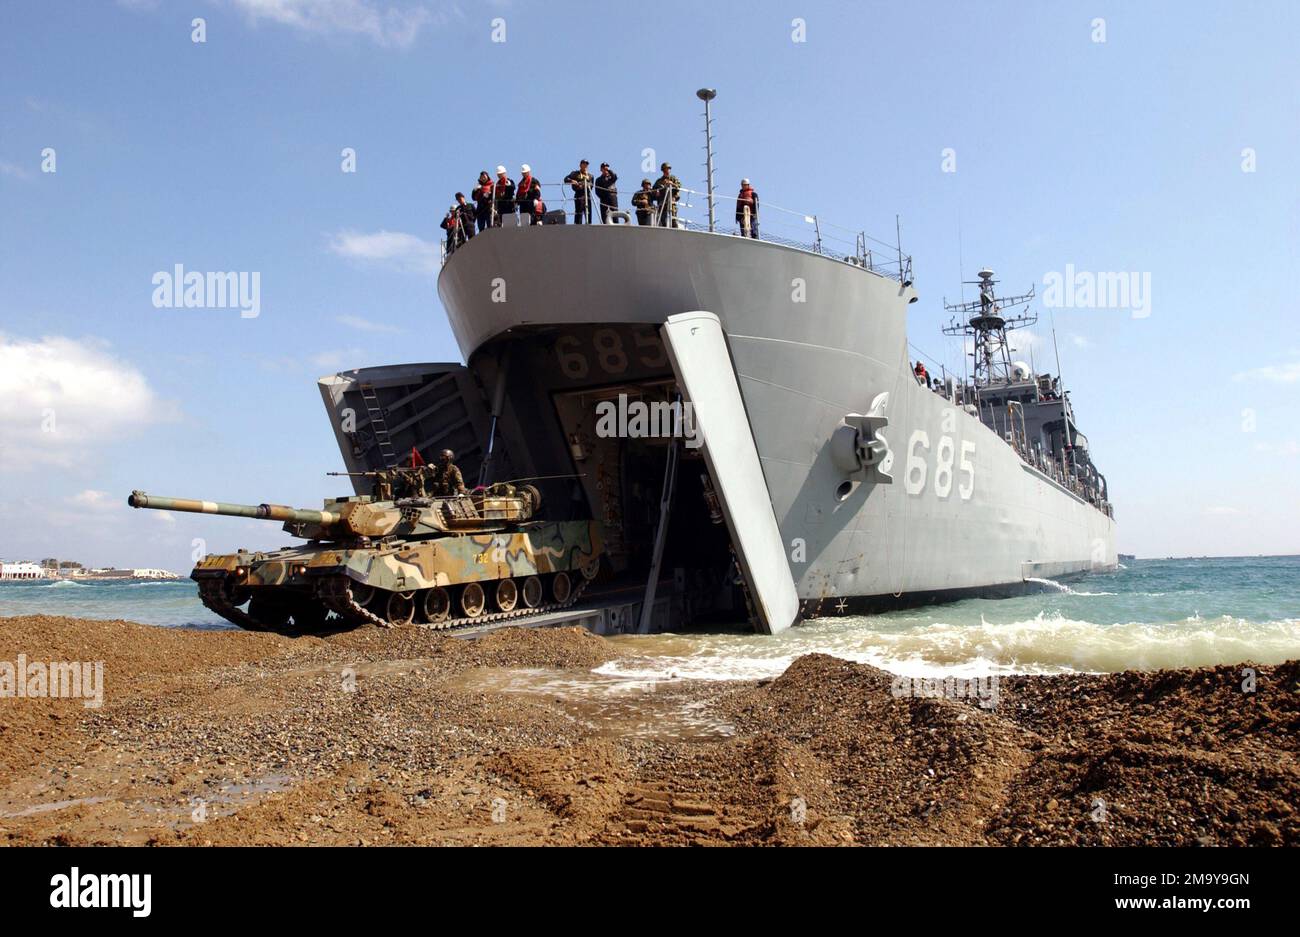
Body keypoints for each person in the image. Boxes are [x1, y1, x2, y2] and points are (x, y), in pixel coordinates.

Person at [652, 162, 682, 228]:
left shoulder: (673, 178)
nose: (667, 170)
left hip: (671, 201)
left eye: (668, 169)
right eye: (666, 169)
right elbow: (653, 191)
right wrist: (656, 192)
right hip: (662, 202)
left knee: (673, 219)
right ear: (663, 170)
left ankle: (675, 232)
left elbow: (679, 186)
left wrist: (672, 184)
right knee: (663, 219)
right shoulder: (659, 181)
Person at [564, 159, 594, 224]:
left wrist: (584, 185)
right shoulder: (575, 173)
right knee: (579, 212)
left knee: (588, 213)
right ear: (580, 165)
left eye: (586, 164)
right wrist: (572, 181)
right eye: (584, 163)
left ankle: (589, 226)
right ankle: (578, 226)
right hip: (579, 194)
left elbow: (591, 186)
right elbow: (566, 179)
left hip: (587, 195)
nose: (585, 165)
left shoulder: (590, 176)